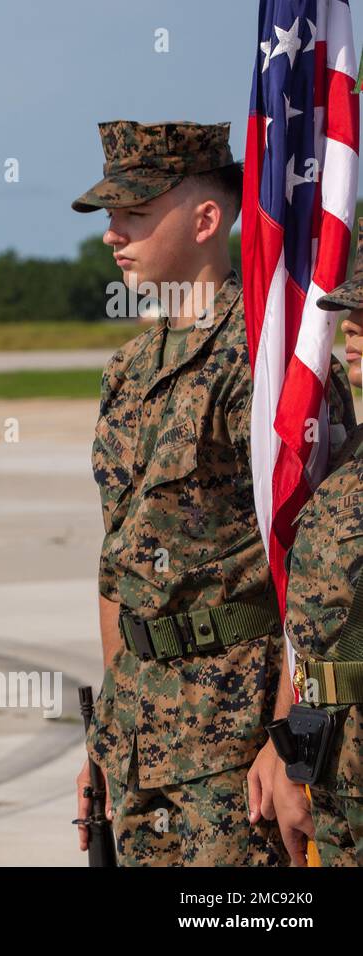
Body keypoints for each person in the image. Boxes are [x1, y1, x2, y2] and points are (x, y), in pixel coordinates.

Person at [73, 120, 355, 865]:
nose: (112, 234)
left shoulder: (269, 364)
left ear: (207, 219)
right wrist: (109, 727)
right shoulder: (126, 373)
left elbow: (326, 565)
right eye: (110, 215)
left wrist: (288, 739)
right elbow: (118, 563)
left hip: (237, 744)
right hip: (138, 738)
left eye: (134, 212)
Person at [278, 243, 363, 866]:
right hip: (334, 772)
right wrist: (290, 753)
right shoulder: (348, 459)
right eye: (350, 311)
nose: (351, 328)